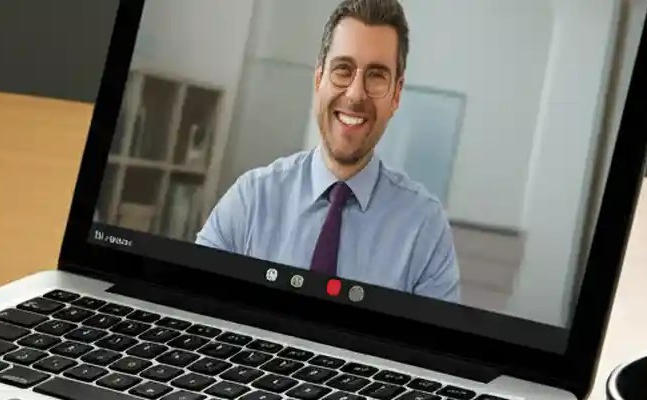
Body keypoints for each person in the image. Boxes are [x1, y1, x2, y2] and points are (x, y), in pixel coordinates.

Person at [196, 0, 460, 303]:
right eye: (343, 69)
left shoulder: (425, 229)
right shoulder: (251, 199)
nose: (355, 93)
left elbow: (430, 348)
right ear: (319, 79)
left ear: (396, 94)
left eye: (376, 75)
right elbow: (190, 299)